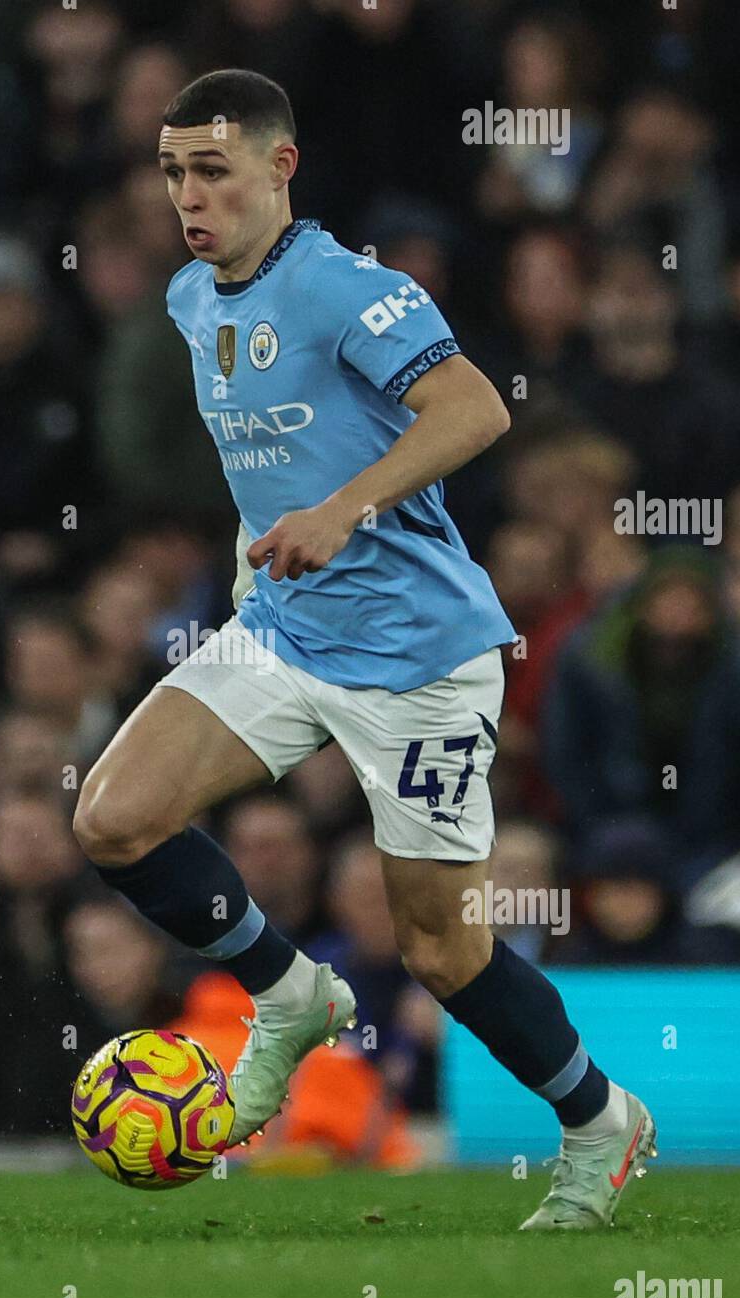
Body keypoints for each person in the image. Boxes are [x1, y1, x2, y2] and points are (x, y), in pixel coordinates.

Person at [72, 68, 656, 1231]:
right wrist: (260, 540)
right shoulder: (195, 301)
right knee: (111, 816)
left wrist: (343, 508)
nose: (189, 195)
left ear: (280, 169)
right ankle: (291, 994)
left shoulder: (353, 290)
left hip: (421, 659)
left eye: (213, 170)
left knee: (441, 949)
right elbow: (270, 454)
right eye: (174, 170)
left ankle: (599, 1119)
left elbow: (474, 412)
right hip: (287, 630)